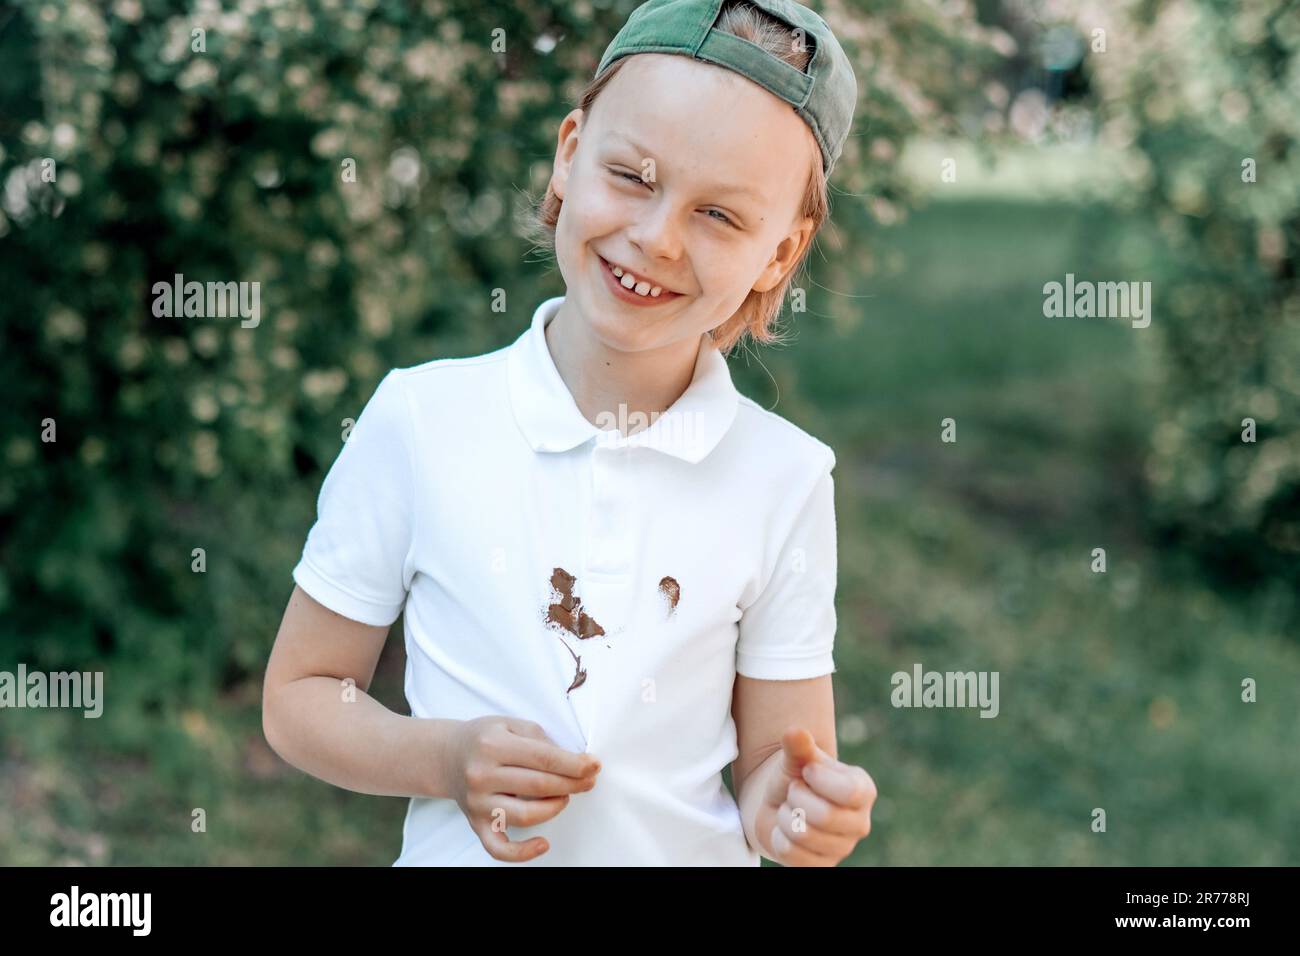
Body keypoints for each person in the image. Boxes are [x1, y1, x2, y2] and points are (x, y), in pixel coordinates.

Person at [262, 0, 877, 866]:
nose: (656, 237)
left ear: (782, 251)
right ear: (568, 153)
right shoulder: (420, 420)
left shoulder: (787, 478)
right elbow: (300, 694)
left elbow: (780, 762)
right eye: (631, 175)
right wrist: (444, 757)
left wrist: (797, 810)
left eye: (720, 216)